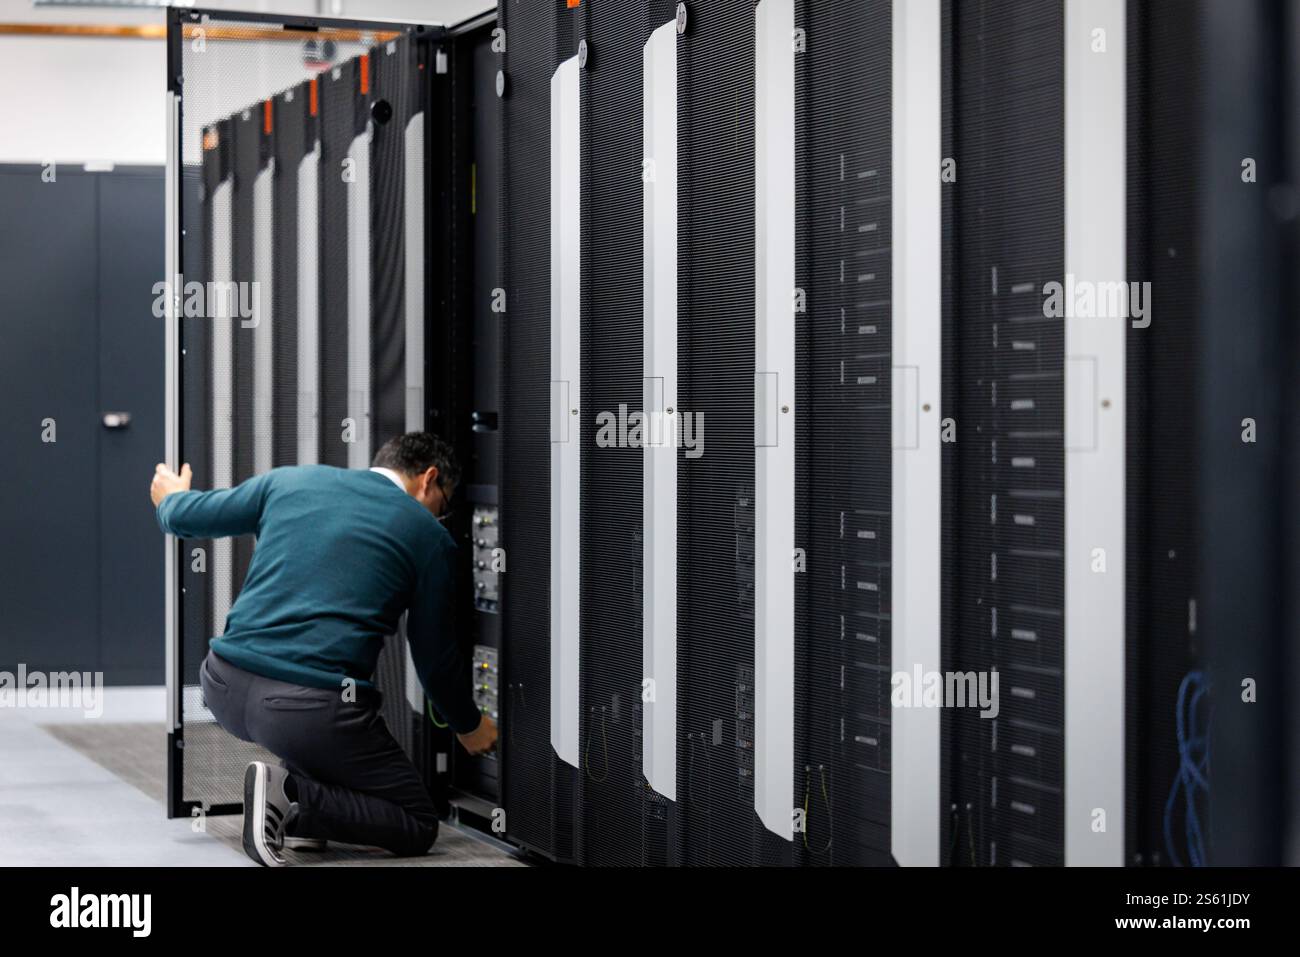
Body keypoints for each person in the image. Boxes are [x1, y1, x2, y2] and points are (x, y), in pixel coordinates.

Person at [150, 432, 497, 866]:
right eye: (442, 505)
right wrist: (468, 725)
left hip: (223, 683)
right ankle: (291, 797)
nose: (438, 516)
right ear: (429, 479)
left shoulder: (290, 482)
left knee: (327, 742)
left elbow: (189, 516)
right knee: (416, 820)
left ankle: (305, 817)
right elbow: (433, 658)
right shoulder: (427, 535)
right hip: (305, 709)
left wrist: (171, 499)